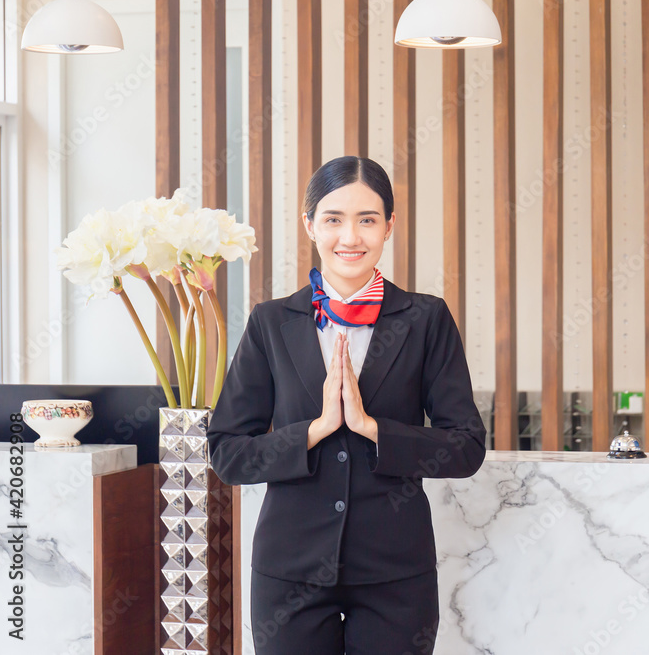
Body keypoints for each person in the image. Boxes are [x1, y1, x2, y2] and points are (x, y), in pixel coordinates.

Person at [206, 155, 487, 655]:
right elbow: (227, 452)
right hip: (288, 572)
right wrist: (314, 430)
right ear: (310, 224)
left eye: (367, 220)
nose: (350, 237)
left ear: (389, 227)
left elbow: (465, 447)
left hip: (395, 573)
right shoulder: (271, 323)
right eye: (334, 219)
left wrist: (371, 427)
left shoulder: (426, 319)